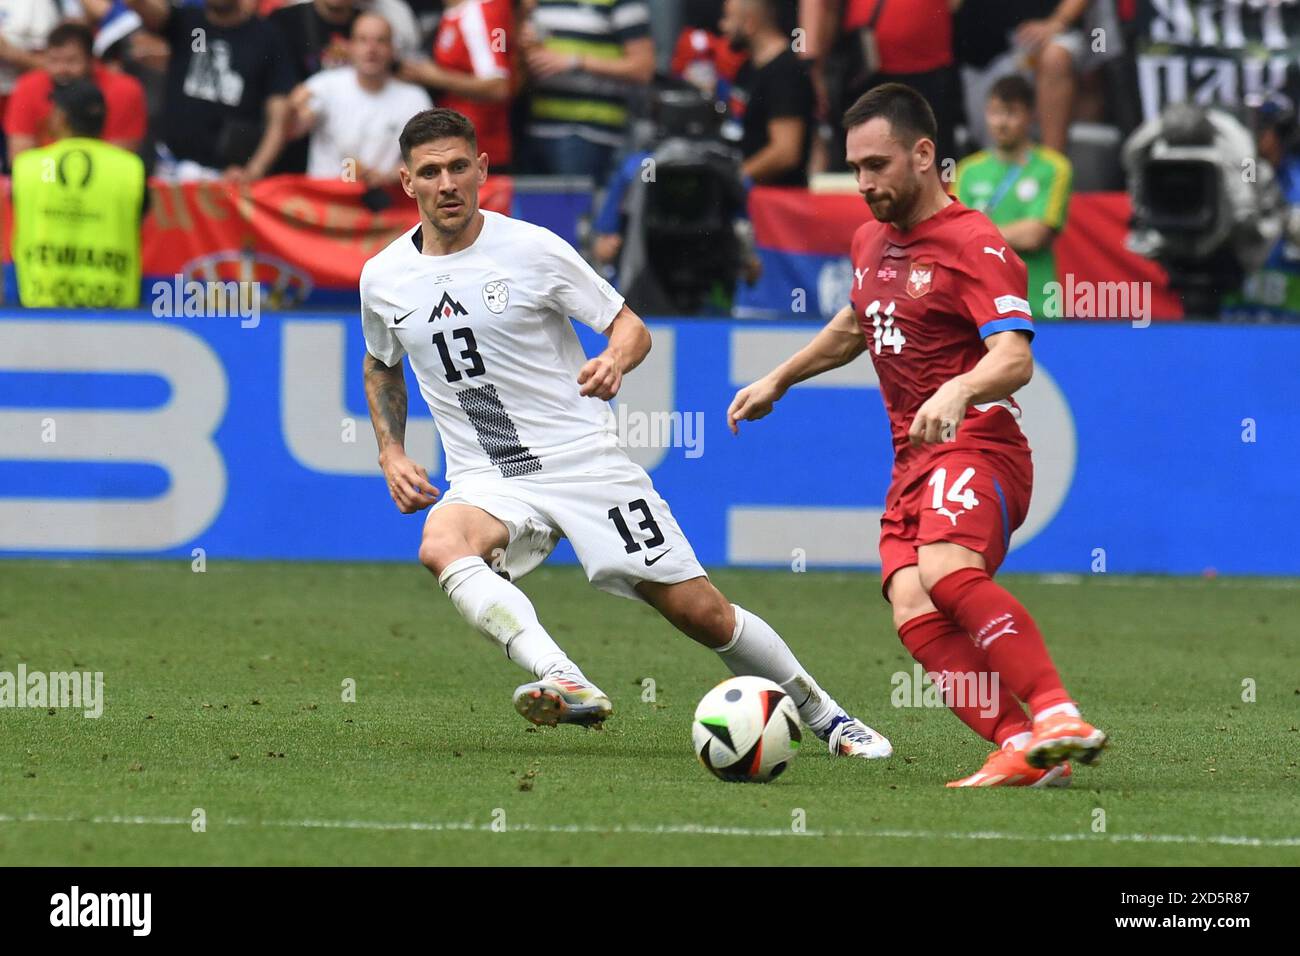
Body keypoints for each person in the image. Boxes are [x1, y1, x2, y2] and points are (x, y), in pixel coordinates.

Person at [359, 107, 890, 757]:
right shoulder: (384, 278)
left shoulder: (532, 249)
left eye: (458, 167)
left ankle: (827, 715)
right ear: (407, 182)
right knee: (442, 542)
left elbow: (629, 325)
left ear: (482, 170)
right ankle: (562, 675)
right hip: (488, 474)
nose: (447, 183)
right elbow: (382, 364)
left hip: (582, 461)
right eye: (431, 172)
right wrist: (389, 449)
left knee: (701, 614)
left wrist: (613, 359)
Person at [728, 83, 1107, 787]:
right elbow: (857, 324)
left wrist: (960, 389)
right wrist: (780, 378)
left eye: (878, 164)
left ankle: (1057, 714)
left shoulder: (975, 241)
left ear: (925, 154)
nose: (865, 183)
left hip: (982, 443)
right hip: (913, 460)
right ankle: (1020, 745)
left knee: (944, 570)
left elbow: (1015, 356)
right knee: (910, 604)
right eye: (856, 167)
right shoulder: (870, 238)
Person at [12, 78, 145, 308]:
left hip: (40, 304)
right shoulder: (131, 168)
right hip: (114, 311)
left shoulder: (28, 166)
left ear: (61, 118)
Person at [125, 0, 294, 182]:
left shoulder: (268, 39)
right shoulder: (185, 20)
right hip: (170, 168)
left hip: (227, 178)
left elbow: (279, 117)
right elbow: (140, 4)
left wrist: (254, 171)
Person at [955, 74, 1071, 319]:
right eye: (994, 112)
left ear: (1031, 115)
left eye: (1011, 113)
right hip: (978, 307)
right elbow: (952, 237)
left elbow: (1034, 235)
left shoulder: (1054, 167)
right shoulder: (967, 171)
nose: (1001, 122)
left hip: (1036, 305)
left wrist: (974, 235)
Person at [520, 0, 654, 182]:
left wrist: (576, 62)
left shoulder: (622, 3)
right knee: (530, 208)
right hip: (533, 126)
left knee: (574, 208)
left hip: (588, 131)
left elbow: (643, 68)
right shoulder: (537, 3)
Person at [290, 11, 430, 184]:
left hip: (382, 199)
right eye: (362, 40)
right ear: (350, 47)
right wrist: (292, 109)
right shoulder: (324, 85)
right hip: (325, 199)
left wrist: (389, 176)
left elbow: (427, 155)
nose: (371, 49)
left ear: (393, 49)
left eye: (380, 41)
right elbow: (294, 128)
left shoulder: (415, 98)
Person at [4, 21, 147, 165]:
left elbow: (119, 161)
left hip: (103, 179)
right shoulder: (28, 87)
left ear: (91, 61)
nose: (61, 69)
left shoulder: (123, 91)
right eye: (54, 61)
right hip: (46, 178)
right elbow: (19, 159)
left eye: (71, 61)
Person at [398, 0, 514, 171]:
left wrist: (434, 77)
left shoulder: (479, 12)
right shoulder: (454, 12)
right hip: (452, 145)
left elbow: (499, 87)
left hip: (480, 150)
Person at [720, 0, 813, 186]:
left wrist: (730, 179)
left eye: (729, 18)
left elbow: (786, 152)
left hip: (774, 201)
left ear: (750, 23)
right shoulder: (747, 67)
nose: (722, 25)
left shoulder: (785, 72)